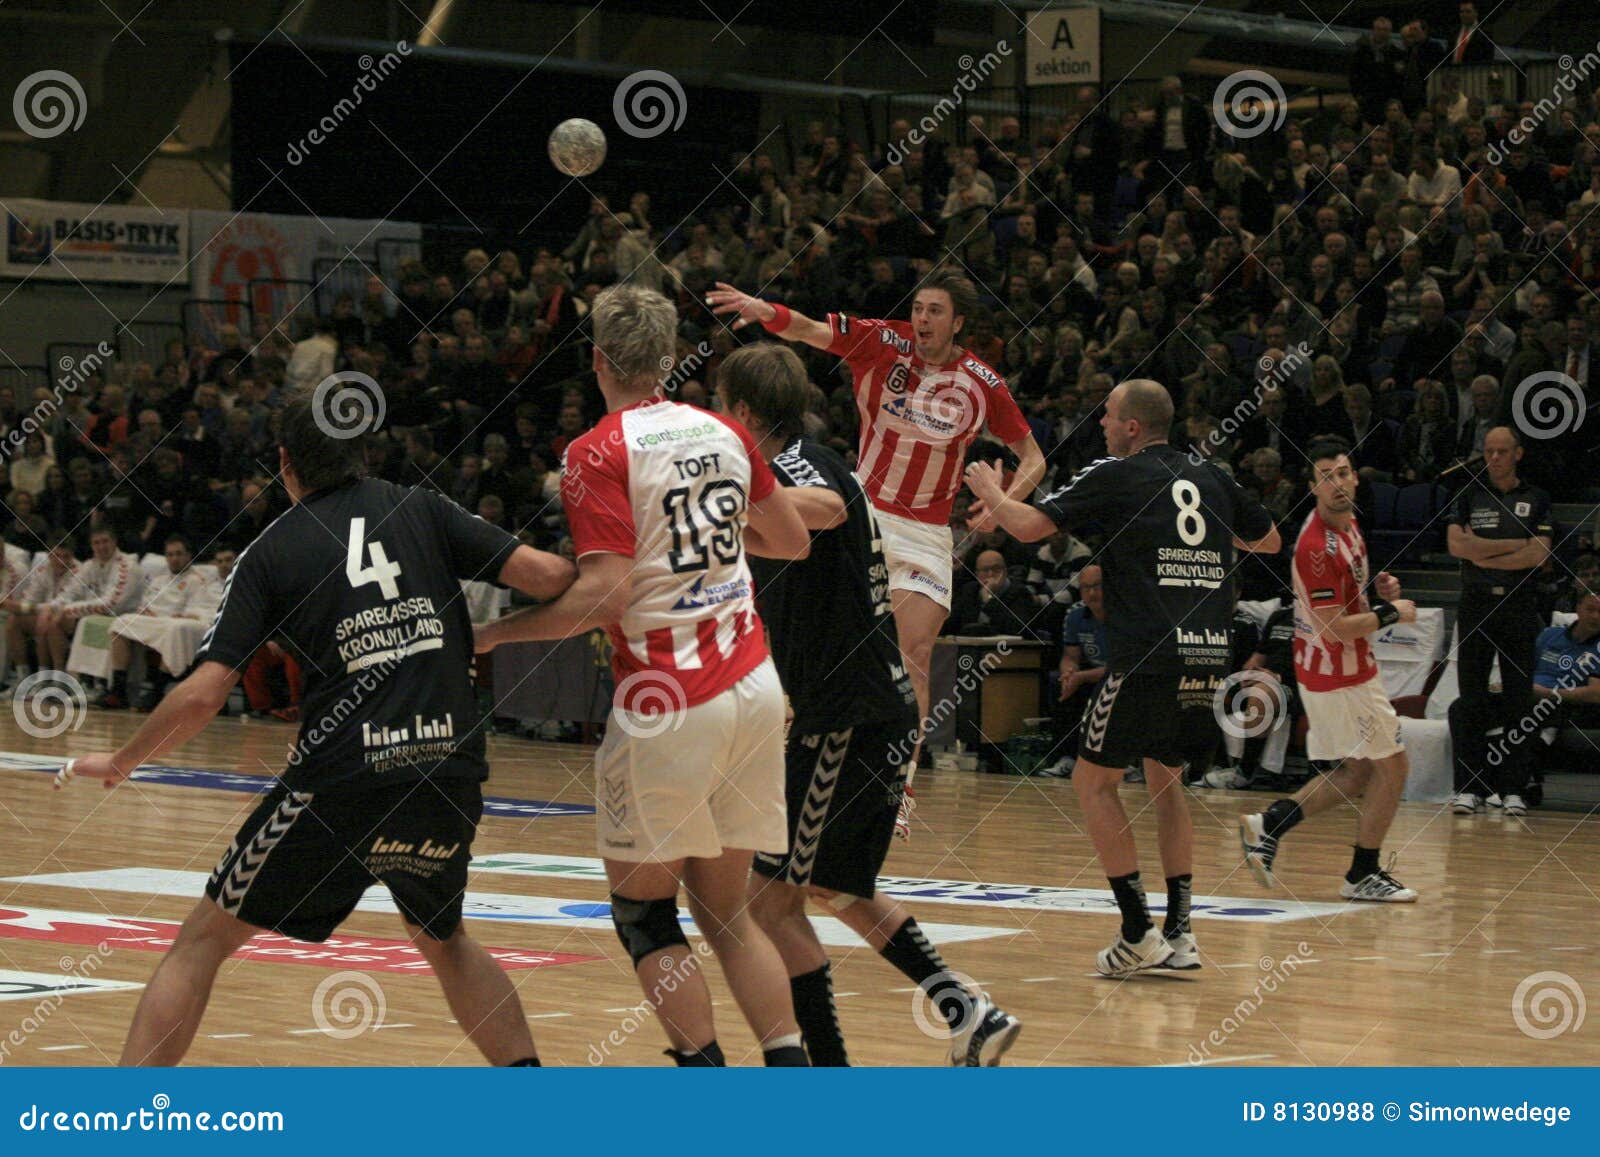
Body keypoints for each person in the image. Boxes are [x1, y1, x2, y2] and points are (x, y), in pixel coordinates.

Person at [63, 385, 578, 1067]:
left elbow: (204, 693)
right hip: (446, 771)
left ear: (285, 462)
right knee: (443, 937)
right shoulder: (422, 505)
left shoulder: (269, 552)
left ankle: (125, 1113)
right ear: (360, 452)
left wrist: (123, 758)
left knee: (200, 942)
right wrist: (503, 625)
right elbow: (551, 575)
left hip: (342, 783)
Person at [473, 284, 814, 1067]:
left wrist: (490, 635)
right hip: (755, 686)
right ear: (667, 360)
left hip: (671, 697)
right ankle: (791, 1076)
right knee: (728, 913)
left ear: (597, 359)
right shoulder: (727, 430)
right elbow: (793, 540)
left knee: (645, 913)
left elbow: (604, 595)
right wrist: (703, 545)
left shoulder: (596, 450)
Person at [718, 342, 1021, 1067]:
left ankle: (825, 1069)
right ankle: (969, 1012)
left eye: (720, 407)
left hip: (845, 717)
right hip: (866, 710)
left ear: (744, 413)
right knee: (839, 885)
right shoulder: (801, 465)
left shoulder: (799, 467)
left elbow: (823, 508)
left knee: (770, 903)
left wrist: (719, 500)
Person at [708, 270, 1046, 841]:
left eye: (935, 311)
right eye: (918, 308)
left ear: (958, 322)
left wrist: (1003, 505)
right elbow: (811, 331)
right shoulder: (882, 342)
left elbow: (1032, 456)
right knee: (823, 636)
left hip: (927, 533)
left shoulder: (981, 382)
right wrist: (765, 312)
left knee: (914, 655)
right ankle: (790, 749)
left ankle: (898, 786)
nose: (922, 319)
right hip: (864, 514)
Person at [964, 379, 1280, 976]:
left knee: (1092, 783)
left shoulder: (1116, 473)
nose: (1102, 425)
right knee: (1167, 782)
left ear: (1133, 426)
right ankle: (1180, 934)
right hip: (1208, 657)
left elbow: (1029, 528)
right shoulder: (1213, 476)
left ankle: (1137, 931)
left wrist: (991, 493)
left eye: (1108, 416)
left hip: (1147, 657)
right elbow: (1269, 539)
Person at [1239, 438, 1421, 903]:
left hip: (1339, 669)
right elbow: (1334, 627)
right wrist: (1392, 612)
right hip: (1340, 673)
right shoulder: (1315, 546)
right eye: (1325, 477)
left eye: (1342, 473)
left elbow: (1347, 596)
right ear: (1312, 487)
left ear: (1354, 477)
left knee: (1355, 773)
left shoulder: (1349, 522)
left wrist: (1378, 592)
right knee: (1394, 768)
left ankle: (1269, 825)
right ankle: (1363, 873)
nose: (1337, 483)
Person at [1444, 427, 1553, 816]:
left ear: (1518, 454)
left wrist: (1482, 551)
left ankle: (1512, 790)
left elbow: (1539, 555)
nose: (1493, 458)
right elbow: (1457, 546)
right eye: (1489, 451)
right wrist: (1516, 544)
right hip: (1475, 603)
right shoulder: (1468, 495)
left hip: (1518, 604)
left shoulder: (1536, 498)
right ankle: (1468, 788)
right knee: (1470, 697)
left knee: (1518, 699)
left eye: (1502, 451)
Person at [96, 534, 216, 711]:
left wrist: (183, 616)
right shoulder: (159, 580)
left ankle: (157, 691)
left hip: (177, 624)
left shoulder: (198, 580)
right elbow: (145, 605)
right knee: (121, 623)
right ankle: (118, 690)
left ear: (189, 556)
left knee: (174, 629)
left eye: (178, 554)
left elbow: (200, 611)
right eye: (170, 554)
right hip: (156, 622)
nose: (174, 559)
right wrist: (145, 612)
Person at [1044, 561, 1109, 778]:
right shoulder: (1075, 614)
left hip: (1125, 675)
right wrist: (1069, 673)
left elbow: (1123, 666)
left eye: (1097, 586)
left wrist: (1081, 676)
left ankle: (1125, 762)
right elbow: (1070, 656)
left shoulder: (1125, 614)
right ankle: (1067, 758)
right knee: (1059, 683)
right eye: (1086, 588)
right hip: (1091, 674)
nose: (1092, 593)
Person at [947, 548, 1039, 637]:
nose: (990, 574)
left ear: (1005, 571)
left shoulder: (1020, 592)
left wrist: (988, 599)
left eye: (996, 569)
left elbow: (1019, 629)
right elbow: (950, 624)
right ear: (977, 574)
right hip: (969, 645)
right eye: (985, 570)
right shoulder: (970, 590)